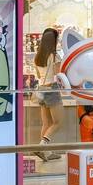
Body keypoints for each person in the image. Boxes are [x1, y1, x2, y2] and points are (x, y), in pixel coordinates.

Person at [33, 27, 62, 160]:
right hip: (52, 89)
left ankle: (46, 153)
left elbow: (39, 75)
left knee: (46, 123)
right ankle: (42, 146)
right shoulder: (55, 56)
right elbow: (59, 74)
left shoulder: (38, 57)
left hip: (41, 89)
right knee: (58, 122)